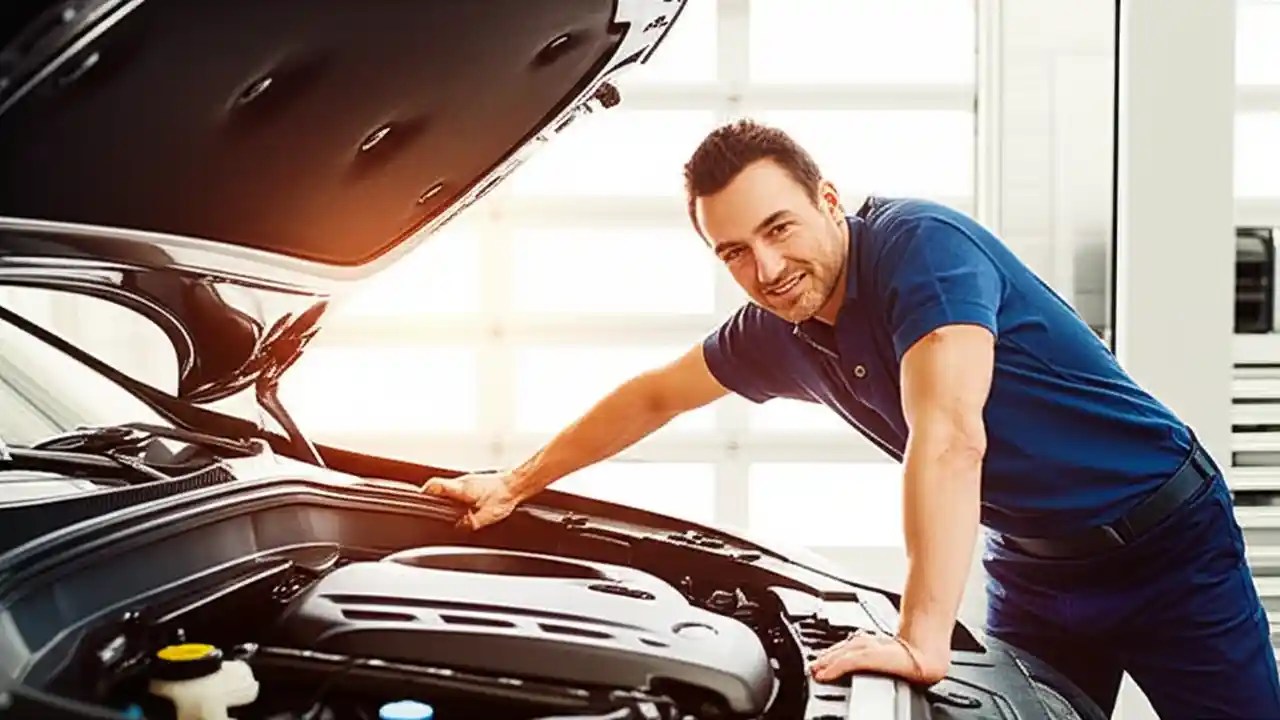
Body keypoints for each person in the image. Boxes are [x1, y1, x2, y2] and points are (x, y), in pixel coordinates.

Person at [421, 119, 1280, 718]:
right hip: (1035, 569)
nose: (765, 266)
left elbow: (949, 437)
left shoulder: (920, 248)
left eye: (778, 227)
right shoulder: (779, 330)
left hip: (1167, 549)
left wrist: (919, 638)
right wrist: (514, 481)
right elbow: (654, 395)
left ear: (829, 198)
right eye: (733, 253)